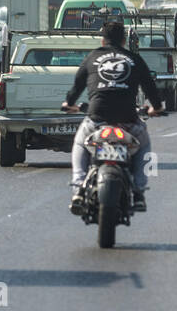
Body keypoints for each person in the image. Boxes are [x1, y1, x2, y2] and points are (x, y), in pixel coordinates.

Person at [62, 21, 163, 214]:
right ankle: (140, 192)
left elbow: (77, 86)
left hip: (96, 121)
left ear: (102, 39)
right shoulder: (134, 59)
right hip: (129, 122)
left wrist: (69, 103)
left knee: (80, 144)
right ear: (124, 40)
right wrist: (156, 108)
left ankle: (77, 188)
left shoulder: (92, 57)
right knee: (144, 145)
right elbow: (150, 87)